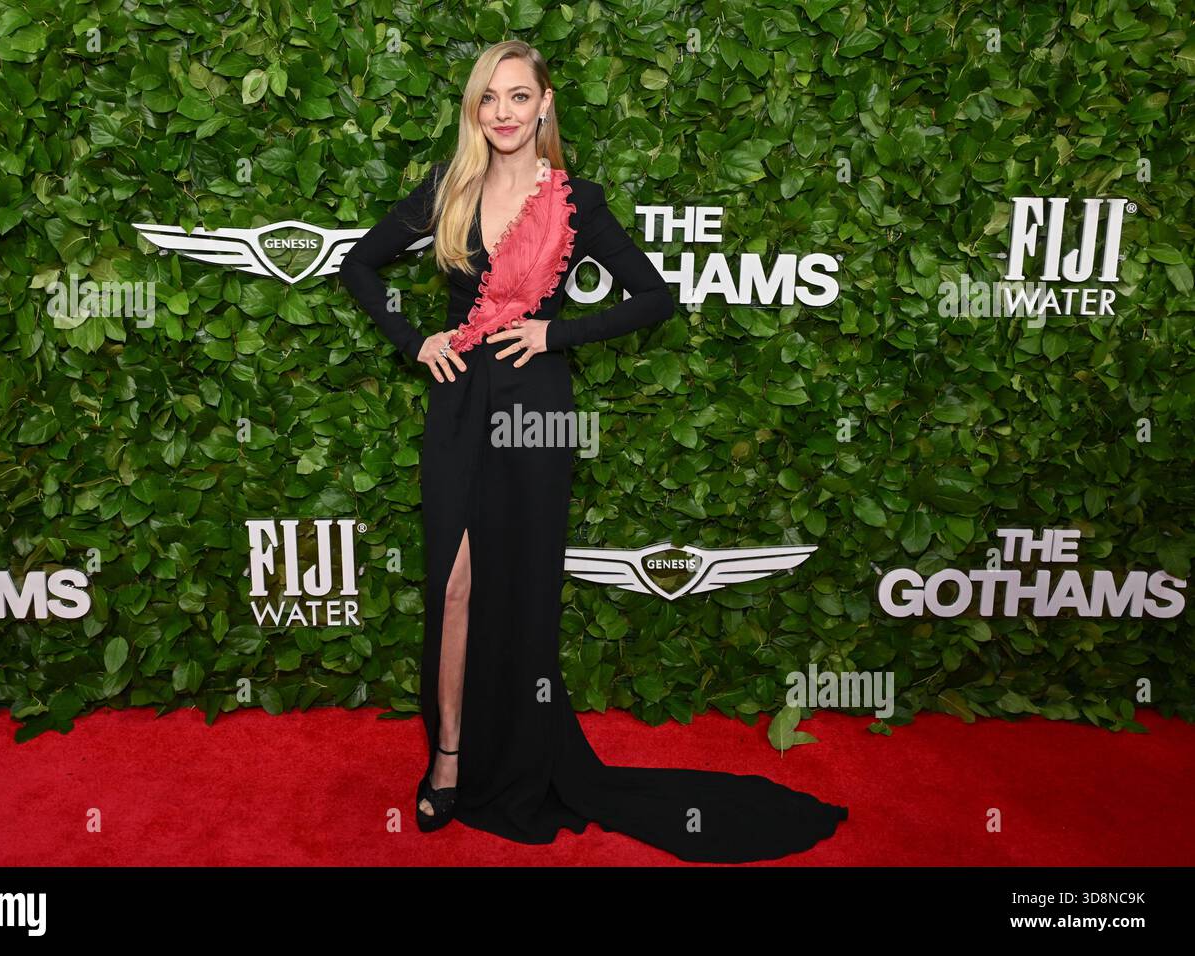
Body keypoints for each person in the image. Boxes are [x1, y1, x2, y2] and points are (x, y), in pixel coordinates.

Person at [339, 40, 848, 863]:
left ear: (544, 106)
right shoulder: (448, 190)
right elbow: (359, 266)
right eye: (488, 99)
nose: (503, 112)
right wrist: (412, 340)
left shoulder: (576, 201)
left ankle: (521, 759)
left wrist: (556, 332)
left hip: (536, 410)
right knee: (456, 584)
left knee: (522, 586)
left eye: (518, 96)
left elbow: (657, 298)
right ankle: (449, 759)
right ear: (477, 112)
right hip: (459, 402)